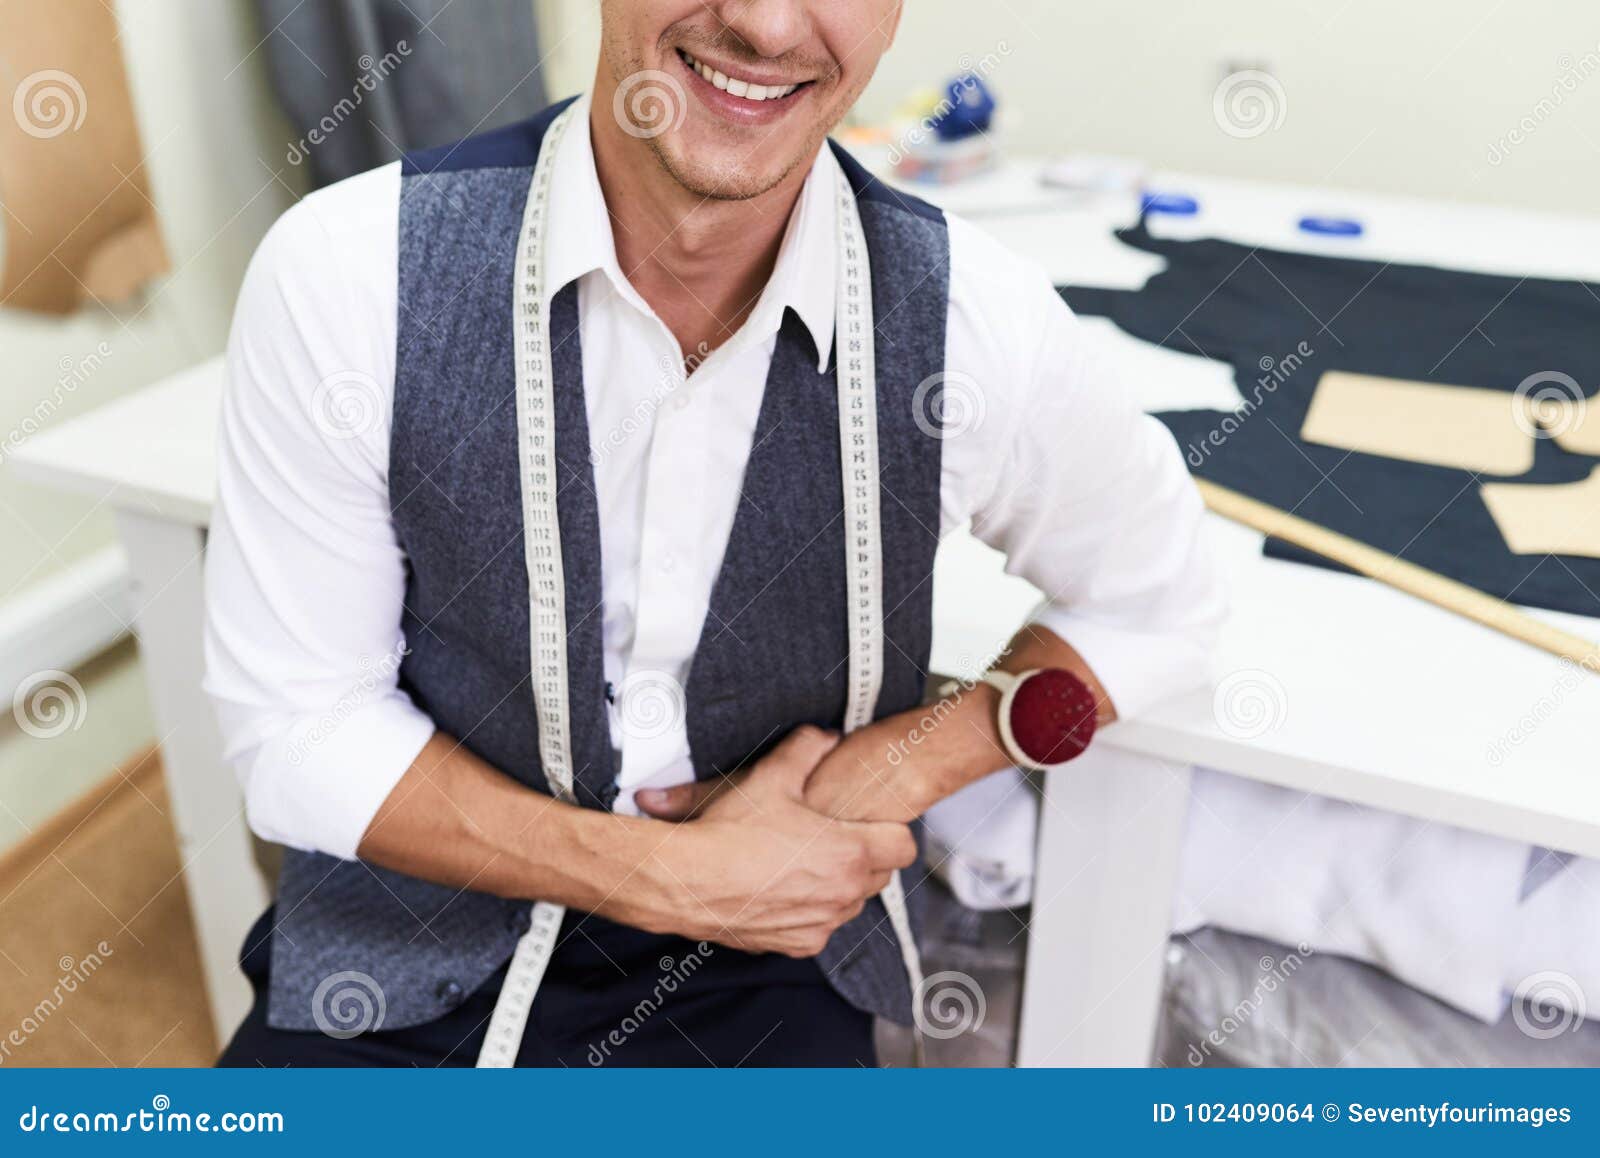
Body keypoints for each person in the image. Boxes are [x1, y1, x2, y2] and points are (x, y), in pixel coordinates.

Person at [204, 0, 1224, 1067]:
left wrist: (903, 768)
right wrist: (667, 875)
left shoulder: (976, 322)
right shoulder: (350, 271)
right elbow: (297, 725)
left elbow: (1157, 608)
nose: (768, 26)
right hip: (414, 915)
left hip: (770, 951)